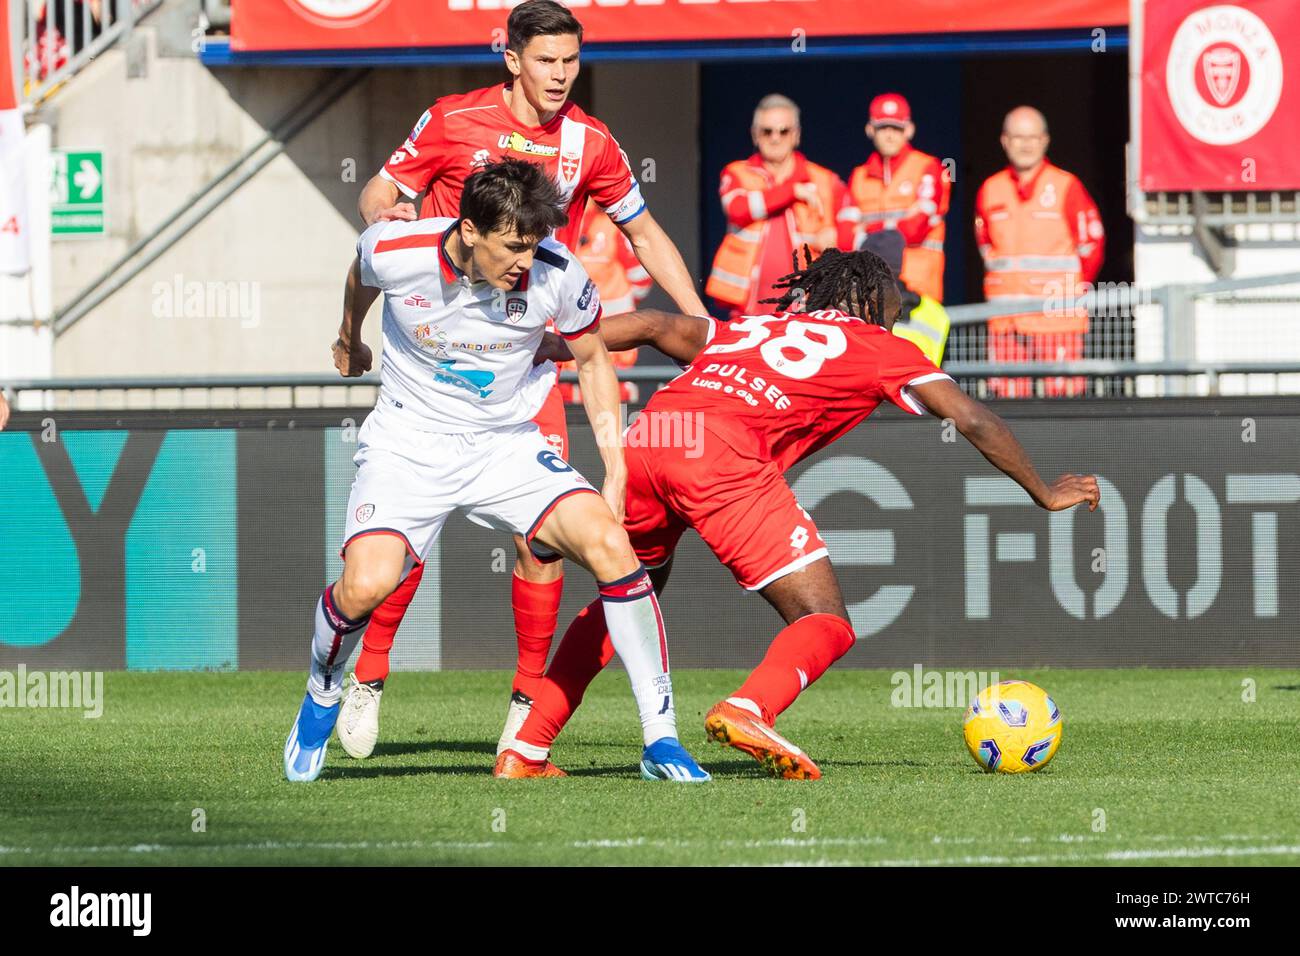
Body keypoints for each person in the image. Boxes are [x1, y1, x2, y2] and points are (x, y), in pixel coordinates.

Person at [517, 247, 1101, 778]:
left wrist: (549, 345)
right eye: (894, 305)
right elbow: (972, 419)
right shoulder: (883, 348)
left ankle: (526, 750)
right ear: (866, 300)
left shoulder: (758, 324)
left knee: (627, 598)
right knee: (826, 620)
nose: (899, 316)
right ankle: (750, 707)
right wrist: (1043, 492)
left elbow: (651, 324)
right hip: (722, 455)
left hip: (651, 438)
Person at [339, 0, 708, 763]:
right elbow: (379, 194)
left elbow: (643, 231)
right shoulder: (451, 119)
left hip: (528, 365)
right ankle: (368, 676)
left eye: (572, 61)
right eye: (546, 60)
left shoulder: (589, 142)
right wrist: (392, 220)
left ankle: (524, 703)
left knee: (543, 542)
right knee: (402, 545)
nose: (561, 75)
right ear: (511, 58)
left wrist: (700, 318)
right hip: (441, 367)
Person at [284, 160, 709, 785]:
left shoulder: (557, 273)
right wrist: (351, 338)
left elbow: (592, 361)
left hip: (506, 443)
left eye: (533, 245)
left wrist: (613, 470)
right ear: (468, 228)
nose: (524, 260)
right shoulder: (397, 249)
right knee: (365, 587)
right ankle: (324, 688)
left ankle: (661, 739)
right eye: (513, 245)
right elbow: (360, 274)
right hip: (408, 444)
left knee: (609, 543)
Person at [975, 106, 1105, 398]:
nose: (1025, 144)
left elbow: (1092, 247)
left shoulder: (1066, 186)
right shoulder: (990, 190)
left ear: (1045, 140)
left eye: (1032, 137)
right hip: (1006, 322)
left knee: (1062, 406)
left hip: (1057, 322)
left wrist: (1068, 293)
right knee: (1008, 408)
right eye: (1018, 137)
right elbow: (986, 248)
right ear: (1004, 141)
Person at [706, 94, 844, 316]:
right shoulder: (738, 172)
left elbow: (846, 230)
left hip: (808, 302)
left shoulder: (822, 178)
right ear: (755, 135)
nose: (775, 138)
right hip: (749, 305)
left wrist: (833, 238)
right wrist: (792, 191)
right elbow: (737, 209)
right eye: (767, 131)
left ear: (796, 135)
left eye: (784, 131)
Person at [838, 92, 949, 302]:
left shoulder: (928, 167)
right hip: (870, 291)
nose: (890, 135)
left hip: (918, 291)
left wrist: (866, 231)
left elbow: (916, 229)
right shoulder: (859, 176)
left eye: (896, 128)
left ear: (909, 129)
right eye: (883, 128)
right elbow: (844, 239)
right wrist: (895, 224)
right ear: (870, 129)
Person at [555, 198, 651, 405]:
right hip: (574, 341)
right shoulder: (557, 227)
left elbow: (641, 278)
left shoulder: (612, 226)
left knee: (617, 392)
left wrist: (620, 300)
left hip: (613, 347)